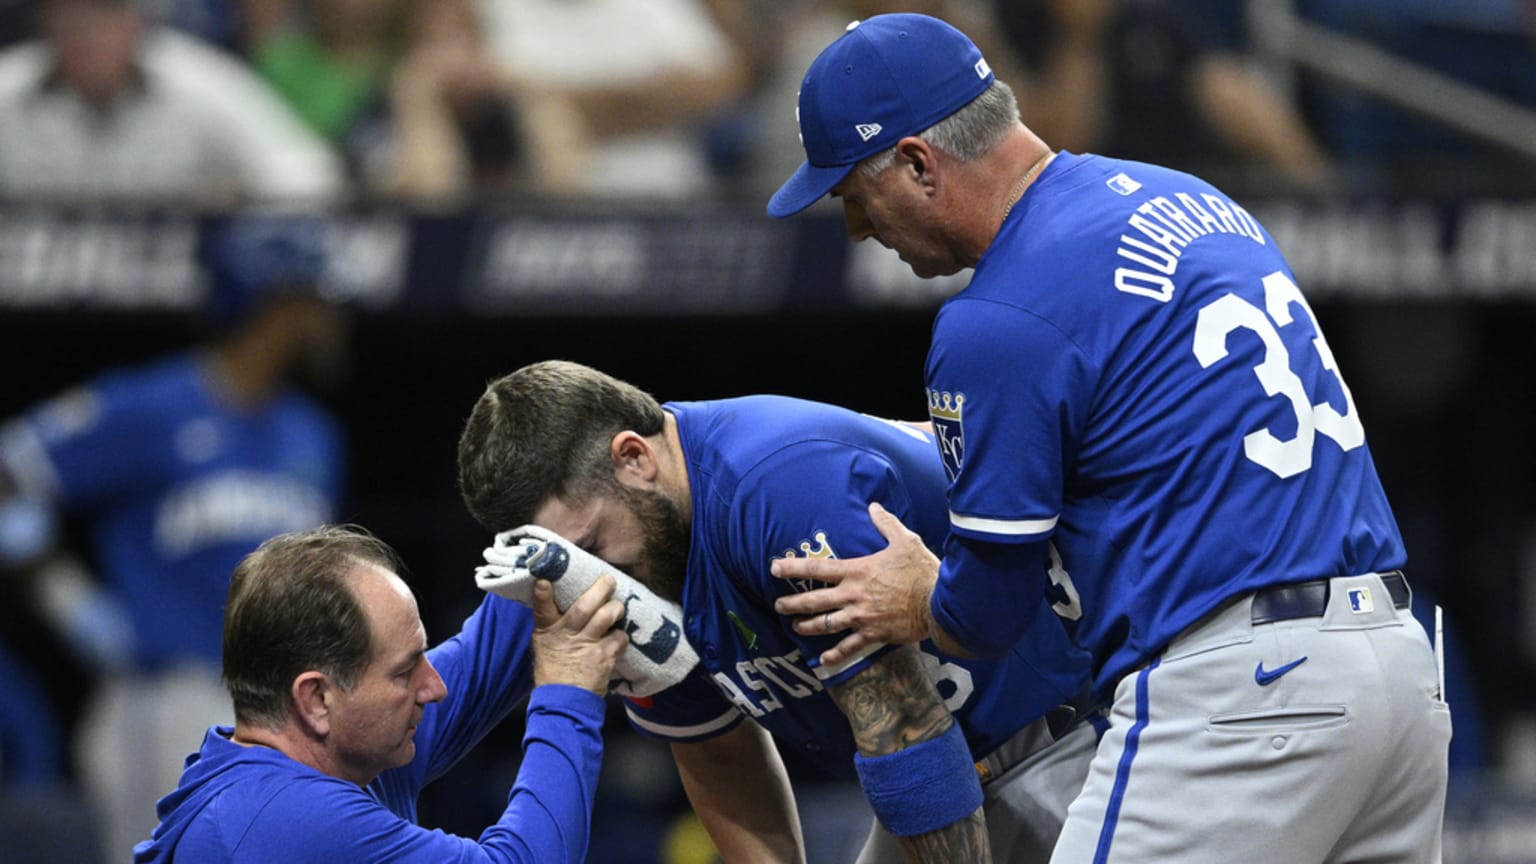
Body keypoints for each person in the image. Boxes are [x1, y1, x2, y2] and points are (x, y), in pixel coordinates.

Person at [764, 13, 1450, 863]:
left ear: (916, 162)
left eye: (852, 195)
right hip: (1398, 670)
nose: (859, 227)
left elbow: (986, 613)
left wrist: (919, 594)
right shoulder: (1194, 197)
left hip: (1243, 694)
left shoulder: (1000, 316)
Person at [456, 359, 1098, 863]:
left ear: (635, 458)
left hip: (1068, 727)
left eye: (594, 546)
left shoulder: (771, 486)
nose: (601, 578)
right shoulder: (640, 558)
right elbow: (716, 752)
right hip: (958, 768)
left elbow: (905, 727)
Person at [0, 213, 350, 861]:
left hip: (286, 710)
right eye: (312, 302)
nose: (329, 321)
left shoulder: (312, 436)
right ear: (273, 304)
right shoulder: (153, 406)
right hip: (165, 700)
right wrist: (68, 602)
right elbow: (10, 469)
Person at [132, 522, 628, 862]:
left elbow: (483, 659)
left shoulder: (344, 749)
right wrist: (568, 690)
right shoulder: (282, 819)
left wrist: (562, 533)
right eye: (404, 670)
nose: (432, 686)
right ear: (316, 700)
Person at [0, 0, 342, 205]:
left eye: (104, 14)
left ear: (136, 22)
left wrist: (239, 198)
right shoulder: (9, 86)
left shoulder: (198, 80)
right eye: (71, 17)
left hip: (183, 302)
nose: (87, 33)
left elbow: (310, 171)